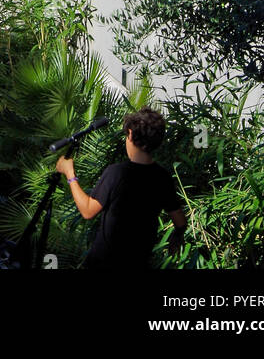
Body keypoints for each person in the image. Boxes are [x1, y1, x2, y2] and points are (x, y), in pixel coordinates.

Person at [55, 107, 187, 269]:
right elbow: (180, 220)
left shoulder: (117, 173)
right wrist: (176, 237)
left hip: (105, 262)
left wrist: (70, 174)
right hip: (138, 262)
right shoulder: (162, 177)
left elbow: (88, 211)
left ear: (130, 134)